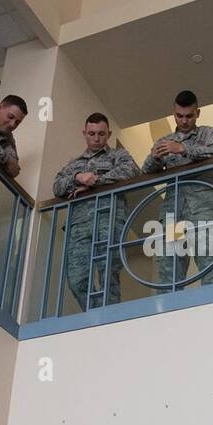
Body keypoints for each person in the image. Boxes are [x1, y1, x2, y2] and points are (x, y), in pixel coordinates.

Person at [52, 114, 140, 311]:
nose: (96, 138)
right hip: (79, 225)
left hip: (109, 219)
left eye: (101, 134)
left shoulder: (118, 156)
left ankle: (107, 318)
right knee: (76, 278)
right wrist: (78, 177)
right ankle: (94, 313)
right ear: (84, 134)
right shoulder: (73, 164)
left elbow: (132, 170)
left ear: (108, 134)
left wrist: (96, 182)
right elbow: (57, 187)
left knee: (109, 274)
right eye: (91, 134)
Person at [142, 90, 213, 289]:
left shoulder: (207, 133)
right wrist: (154, 157)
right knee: (168, 265)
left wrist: (183, 149)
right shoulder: (164, 141)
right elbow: (145, 172)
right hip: (173, 211)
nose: (184, 121)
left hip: (204, 206)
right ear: (174, 113)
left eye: (189, 116)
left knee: (208, 260)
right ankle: (168, 314)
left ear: (198, 113)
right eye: (179, 116)